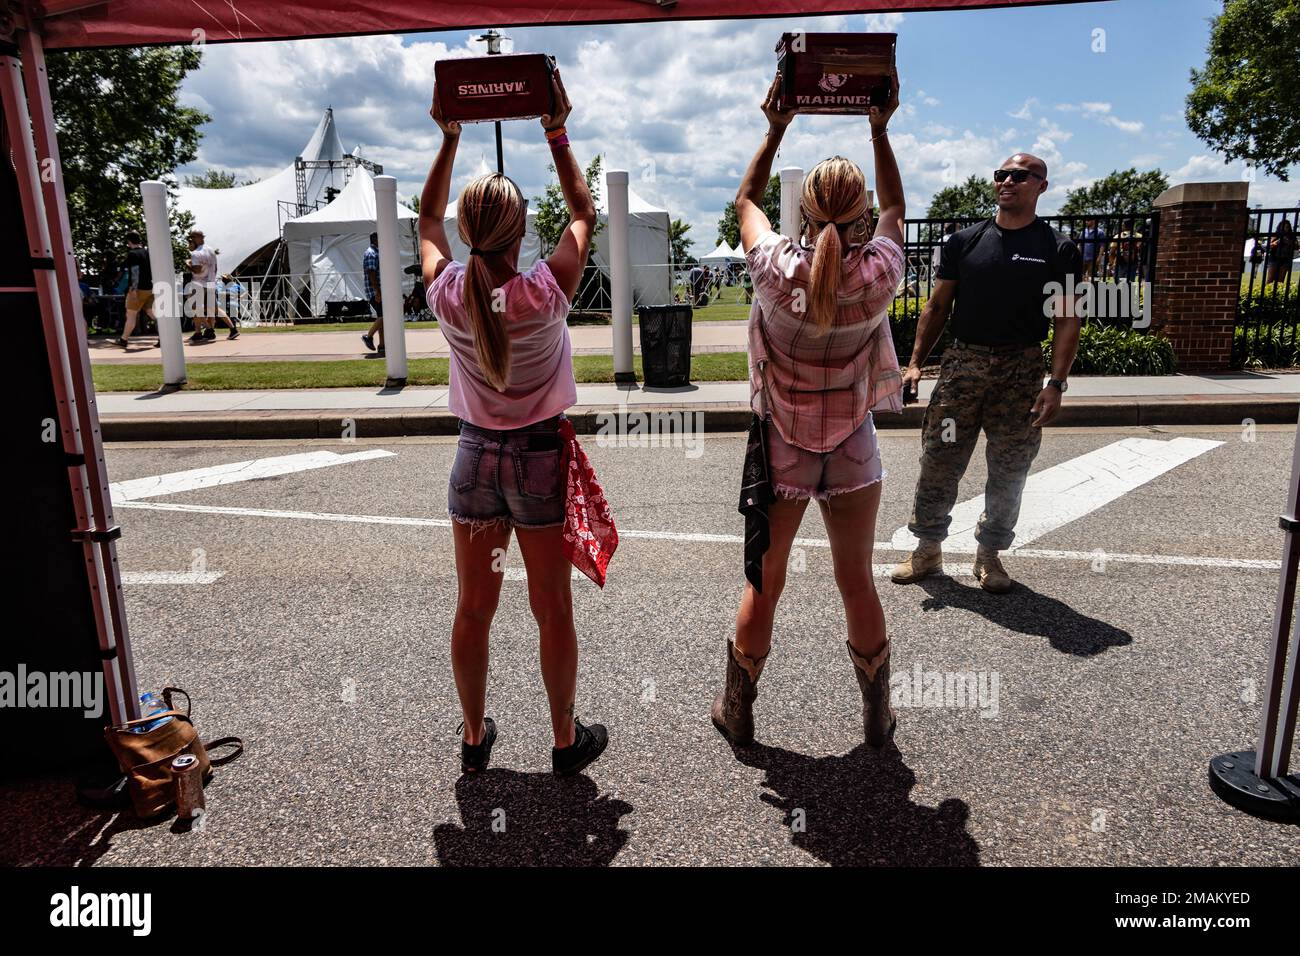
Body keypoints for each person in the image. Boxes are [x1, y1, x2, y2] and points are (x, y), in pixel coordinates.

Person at [711, 71, 907, 751]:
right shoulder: (880, 274)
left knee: (766, 585)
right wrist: (880, 129)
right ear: (859, 221)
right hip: (854, 445)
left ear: (802, 217)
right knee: (856, 581)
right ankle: (877, 716)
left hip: (783, 451)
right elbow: (896, 213)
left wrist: (776, 124)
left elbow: (743, 200)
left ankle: (738, 710)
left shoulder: (772, 269)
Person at [421, 68, 608, 778]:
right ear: (522, 230)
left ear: (469, 231)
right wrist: (556, 131)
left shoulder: (446, 295)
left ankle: (474, 736)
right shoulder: (544, 289)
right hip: (537, 459)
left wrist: (449, 137)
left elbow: (427, 222)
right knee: (550, 609)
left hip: (473, 460)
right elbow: (584, 211)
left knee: (474, 610)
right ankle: (564, 742)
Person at [891, 153, 1081, 593]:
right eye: (1001, 175)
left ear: (1041, 186)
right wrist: (916, 362)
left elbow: (1068, 319)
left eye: (1019, 176)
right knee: (940, 459)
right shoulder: (964, 242)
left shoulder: (1058, 249)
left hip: (1022, 368)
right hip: (963, 366)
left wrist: (1055, 383)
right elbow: (937, 306)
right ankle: (927, 550)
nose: (1007, 182)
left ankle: (989, 555)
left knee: (1010, 466)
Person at [186, 229, 238, 342]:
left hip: (199, 283)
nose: (191, 240)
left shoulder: (196, 253)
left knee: (195, 308)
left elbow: (197, 270)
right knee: (214, 309)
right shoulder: (211, 250)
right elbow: (215, 268)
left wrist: (187, 264)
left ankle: (207, 330)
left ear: (196, 238)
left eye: (192, 238)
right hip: (211, 283)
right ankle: (232, 329)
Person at [117, 231, 155, 349]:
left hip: (138, 289)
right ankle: (164, 335)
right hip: (150, 288)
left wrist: (133, 289)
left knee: (131, 314)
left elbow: (135, 271)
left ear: (129, 242)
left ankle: (123, 339)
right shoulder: (148, 253)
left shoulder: (132, 254)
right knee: (151, 312)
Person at [361, 233, 385, 354]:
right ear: (375, 239)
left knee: (382, 317)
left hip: (378, 290)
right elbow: (371, 273)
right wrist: (378, 291)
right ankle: (368, 336)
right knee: (385, 317)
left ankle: (382, 345)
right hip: (375, 291)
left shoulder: (376, 252)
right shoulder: (371, 253)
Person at [1266, 220, 1295, 285]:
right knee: (1270, 280)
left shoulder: (1291, 236)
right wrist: (1278, 241)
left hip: (1285, 259)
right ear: (1280, 227)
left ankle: (1277, 294)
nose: (1285, 228)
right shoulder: (1276, 235)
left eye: (1287, 227)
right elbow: (1269, 245)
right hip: (1274, 258)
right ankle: (1266, 294)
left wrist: (1289, 242)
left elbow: (1296, 246)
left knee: (1280, 281)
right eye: (1283, 227)